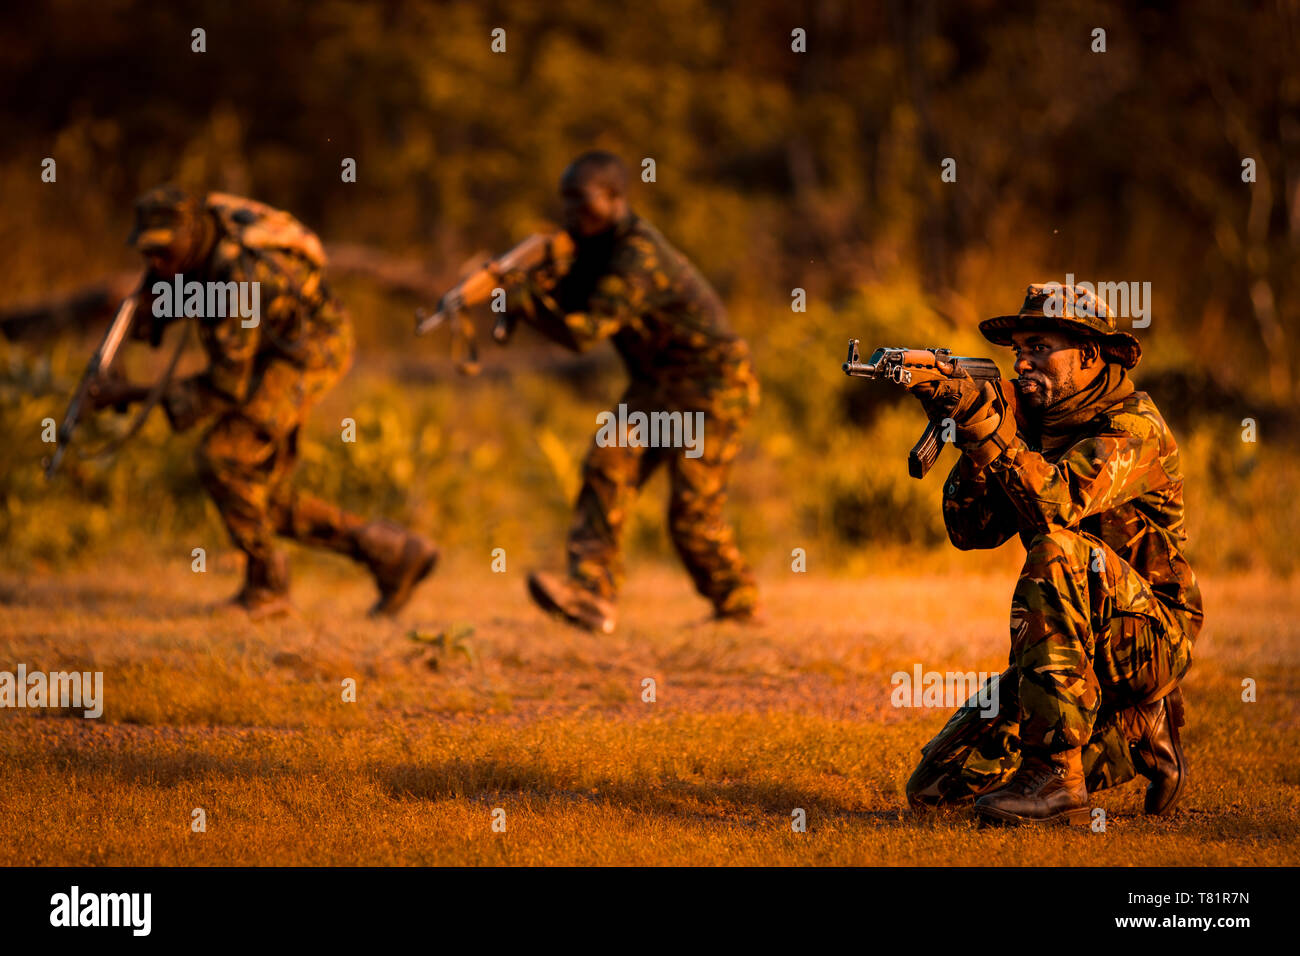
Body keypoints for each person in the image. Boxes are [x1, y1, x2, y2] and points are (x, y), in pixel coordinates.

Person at [903, 282, 1203, 825]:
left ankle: (1056, 778)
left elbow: (1057, 506)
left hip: (1151, 637)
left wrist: (996, 434)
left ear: (1089, 355)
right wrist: (976, 436)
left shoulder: (1136, 427)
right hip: (1071, 654)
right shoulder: (1032, 427)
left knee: (1059, 549)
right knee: (936, 784)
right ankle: (1139, 730)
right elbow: (969, 530)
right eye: (1018, 350)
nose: (1022, 362)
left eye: (1039, 347)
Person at [91, 186, 438, 618]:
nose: (157, 265)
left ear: (190, 237)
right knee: (258, 493)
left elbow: (225, 387)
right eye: (148, 255)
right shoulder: (204, 242)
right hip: (275, 348)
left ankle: (268, 588)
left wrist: (132, 393)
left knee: (225, 459)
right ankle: (391, 552)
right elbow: (169, 300)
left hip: (308, 353)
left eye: (165, 253)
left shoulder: (238, 281)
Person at [502, 152, 760, 634]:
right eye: (566, 202)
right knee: (607, 464)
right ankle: (591, 597)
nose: (572, 213)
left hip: (712, 386)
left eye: (583, 200)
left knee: (691, 515)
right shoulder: (590, 250)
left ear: (616, 198)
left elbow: (583, 334)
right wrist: (528, 285)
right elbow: (569, 300)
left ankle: (739, 605)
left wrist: (528, 305)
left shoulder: (637, 255)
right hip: (657, 385)